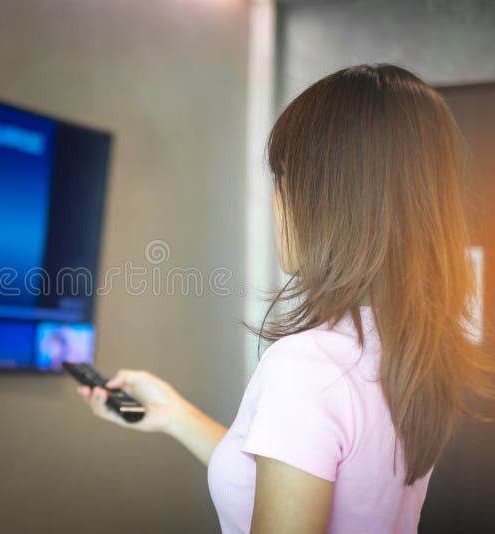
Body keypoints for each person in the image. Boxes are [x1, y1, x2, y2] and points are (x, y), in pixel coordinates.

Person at [76, 64, 494, 533]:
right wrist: (175, 415)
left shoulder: (307, 364)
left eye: (282, 176)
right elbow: (290, 469)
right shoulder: (407, 348)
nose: (275, 200)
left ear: (327, 197)